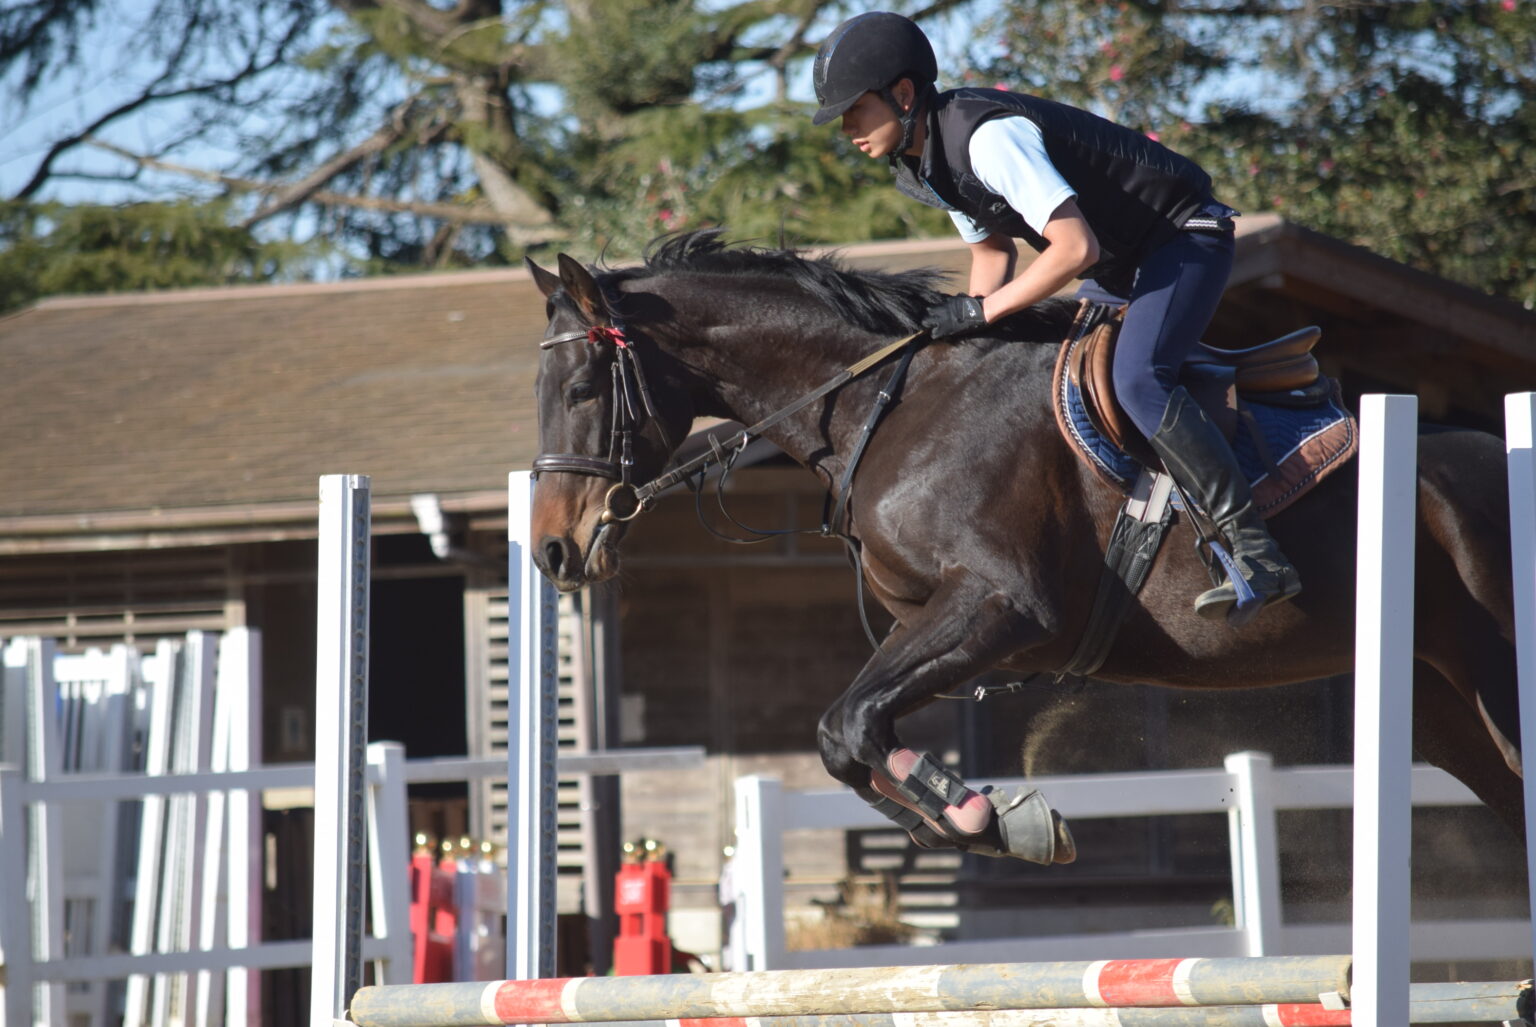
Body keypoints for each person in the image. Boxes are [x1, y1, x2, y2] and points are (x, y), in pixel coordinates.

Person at [808, 11, 1301, 624]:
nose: (848, 128)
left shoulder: (985, 137)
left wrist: (982, 309)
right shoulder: (919, 164)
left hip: (1182, 237)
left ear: (903, 93)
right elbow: (991, 253)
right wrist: (966, 329)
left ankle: (1256, 548)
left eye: (856, 109)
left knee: (1139, 379)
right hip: (1124, 267)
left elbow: (1074, 250)